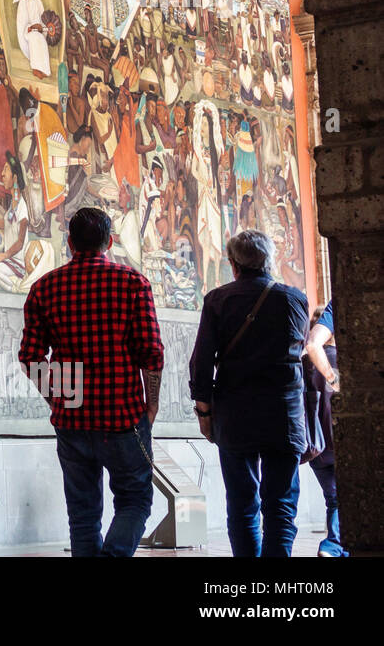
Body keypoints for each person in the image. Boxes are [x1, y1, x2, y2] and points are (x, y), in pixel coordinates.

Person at [20, 207, 163, 557]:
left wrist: (57, 398)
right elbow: (151, 353)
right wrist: (152, 404)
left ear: (69, 243)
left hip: (72, 418)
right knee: (135, 499)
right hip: (124, 415)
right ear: (110, 242)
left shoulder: (44, 289)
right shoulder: (133, 284)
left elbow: (30, 356)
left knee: (82, 515)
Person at [189, 230, 309, 557]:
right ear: (270, 260)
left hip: (235, 415)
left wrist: (204, 414)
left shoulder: (217, 300)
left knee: (242, 504)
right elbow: (299, 352)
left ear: (232, 263)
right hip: (283, 415)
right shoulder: (294, 299)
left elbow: (201, 363)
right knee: (281, 505)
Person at [304, 301, 347, 556]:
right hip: (342, 439)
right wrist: (335, 381)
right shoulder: (345, 361)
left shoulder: (305, 364)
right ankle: (333, 545)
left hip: (317, 443)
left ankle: (334, 546)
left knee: (334, 498)